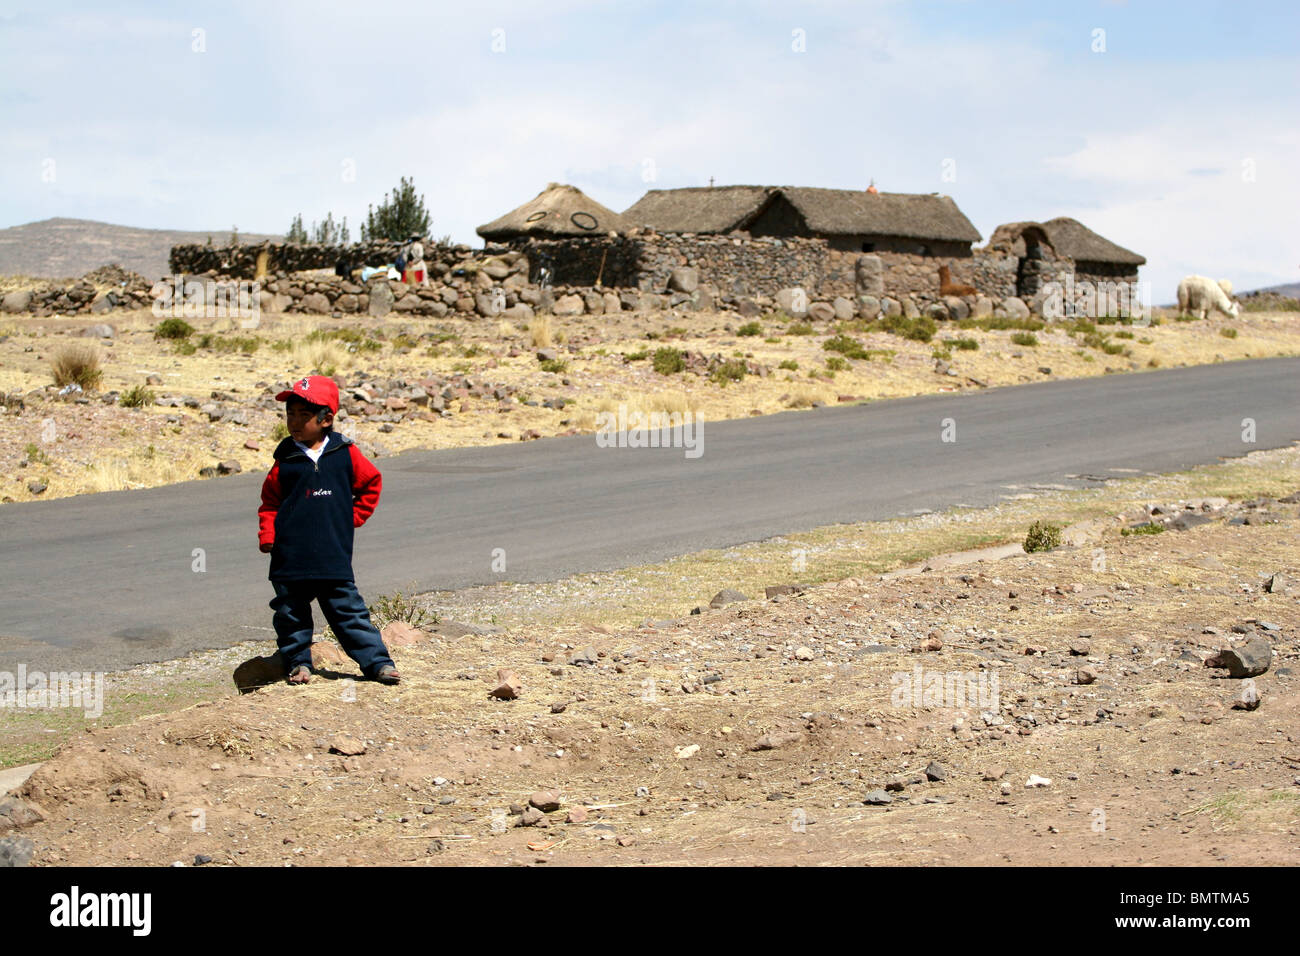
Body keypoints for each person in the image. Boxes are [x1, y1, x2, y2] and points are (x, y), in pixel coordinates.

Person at [257, 375, 400, 685]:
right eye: (290, 414)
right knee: (291, 616)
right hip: (289, 560)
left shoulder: (345, 454)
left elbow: (371, 482)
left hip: (332, 558)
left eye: (303, 416)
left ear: (326, 419)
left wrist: (351, 517)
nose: (294, 422)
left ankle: (378, 664)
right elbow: (269, 503)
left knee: (349, 614)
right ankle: (299, 664)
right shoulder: (285, 461)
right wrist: (268, 536)